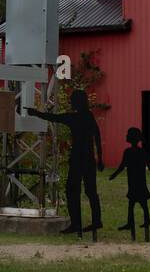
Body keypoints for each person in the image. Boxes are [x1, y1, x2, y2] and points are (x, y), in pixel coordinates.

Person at [26, 88, 104, 240]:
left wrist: (35, 113)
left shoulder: (74, 118)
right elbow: (98, 137)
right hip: (88, 159)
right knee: (91, 191)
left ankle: (76, 223)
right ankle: (96, 221)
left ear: (76, 102)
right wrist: (100, 158)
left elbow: (54, 117)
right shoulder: (89, 116)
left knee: (72, 190)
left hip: (77, 159)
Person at [109, 126, 150, 241]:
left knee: (133, 204)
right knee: (141, 203)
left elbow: (121, 166)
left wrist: (114, 175)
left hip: (134, 183)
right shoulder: (142, 151)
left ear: (131, 138)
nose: (126, 136)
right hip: (139, 182)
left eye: (127, 135)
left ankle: (135, 222)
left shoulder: (129, 152)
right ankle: (143, 220)